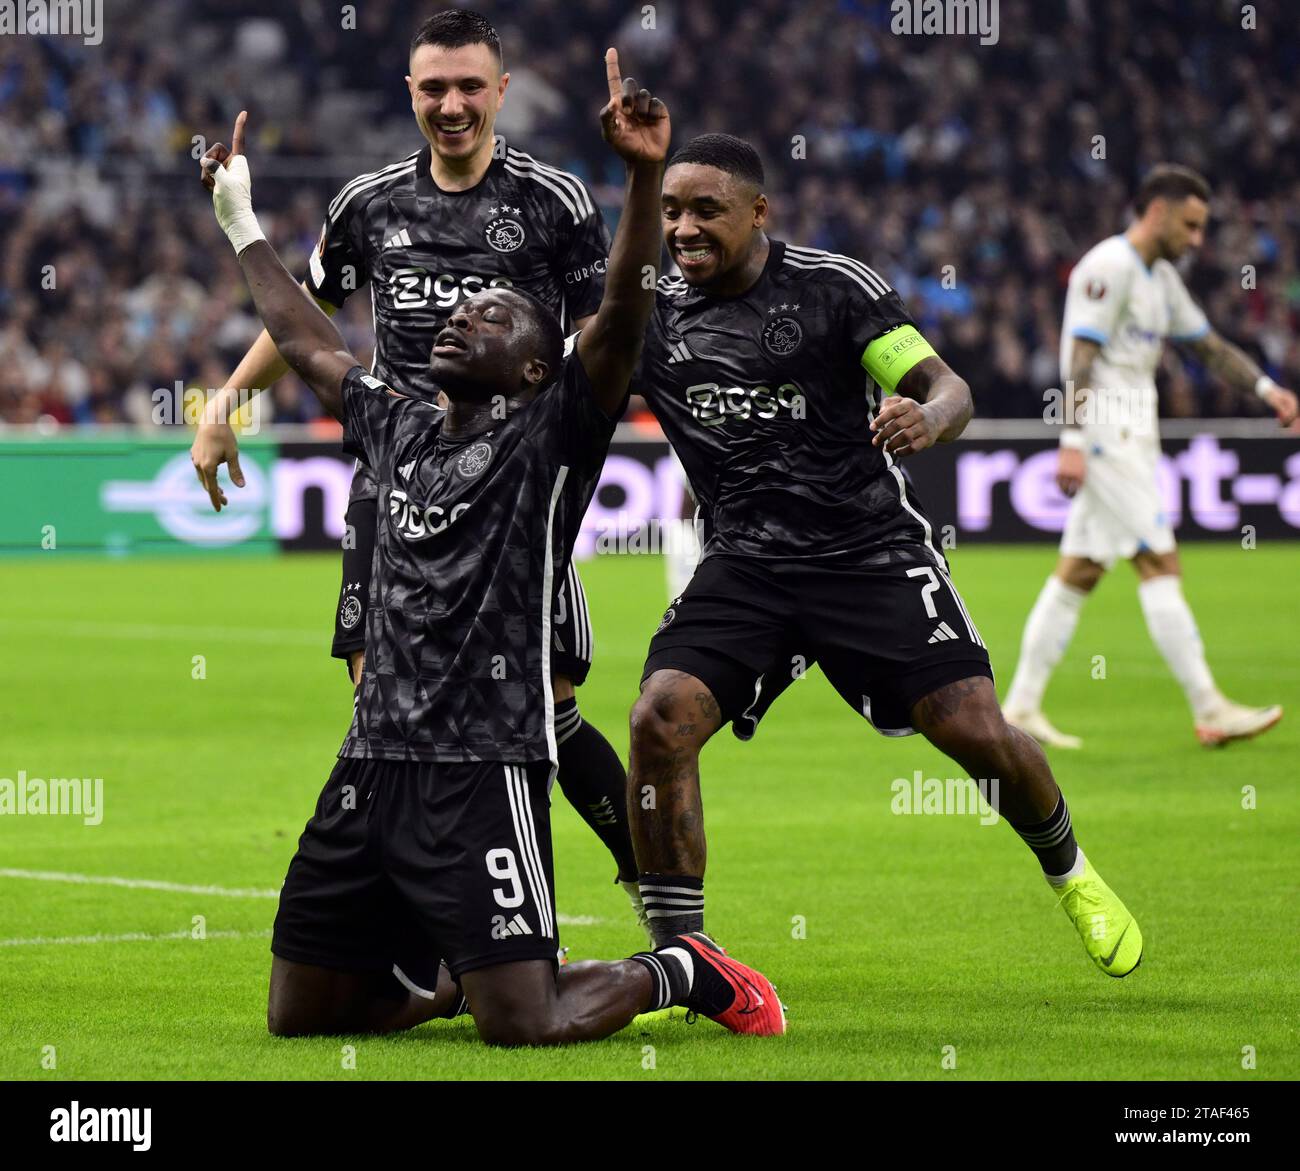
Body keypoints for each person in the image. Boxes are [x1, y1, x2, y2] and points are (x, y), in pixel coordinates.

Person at [198, 58, 784, 1044]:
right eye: (462, 305)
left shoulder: (549, 436)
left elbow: (624, 315)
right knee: (301, 1015)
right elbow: (308, 340)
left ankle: (678, 965)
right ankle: (443, 981)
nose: (466, 308)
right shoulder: (394, 424)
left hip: (483, 767)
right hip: (370, 764)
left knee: (531, 1022)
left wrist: (643, 179)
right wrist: (240, 222)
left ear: (534, 365)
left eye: (495, 311)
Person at [625, 134, 1143, 979]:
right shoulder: (649, 313)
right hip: (746, 562)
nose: (682, 228)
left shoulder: (833, 289)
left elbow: (948, 387)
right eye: (671, 211)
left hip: (863, 550)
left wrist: (929, 418)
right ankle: (682, 955)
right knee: (661, 717)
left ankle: (1071, 872)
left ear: (758, 212)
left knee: (970, 728)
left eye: (704, 211)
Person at [190, 10, 643, 922]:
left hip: (513, 488)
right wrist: (226, 405)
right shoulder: (368, 204)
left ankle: (652, 884)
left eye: (470, 85)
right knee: (381, 702)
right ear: (409, 92)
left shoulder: (554, 203)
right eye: (434, 87)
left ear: (501, 91)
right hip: (394, 475)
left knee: (547, 706)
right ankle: (435, 918)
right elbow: (304, 321)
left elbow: (611, 332)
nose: (452, 104)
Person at [1003, 164, 1296, 749]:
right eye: (1189, 226)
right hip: (1107, 436)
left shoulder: (1158, 278)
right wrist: (1072, 442)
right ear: (1157, 211)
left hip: (1133, 435)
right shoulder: (1107, 268)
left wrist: (1268, 390)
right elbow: (1079, 357)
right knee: (1159, 561)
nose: (1196, 241)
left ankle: (1020, 708)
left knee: (1081, 570)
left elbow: (1207, 346)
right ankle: (1211, 708)